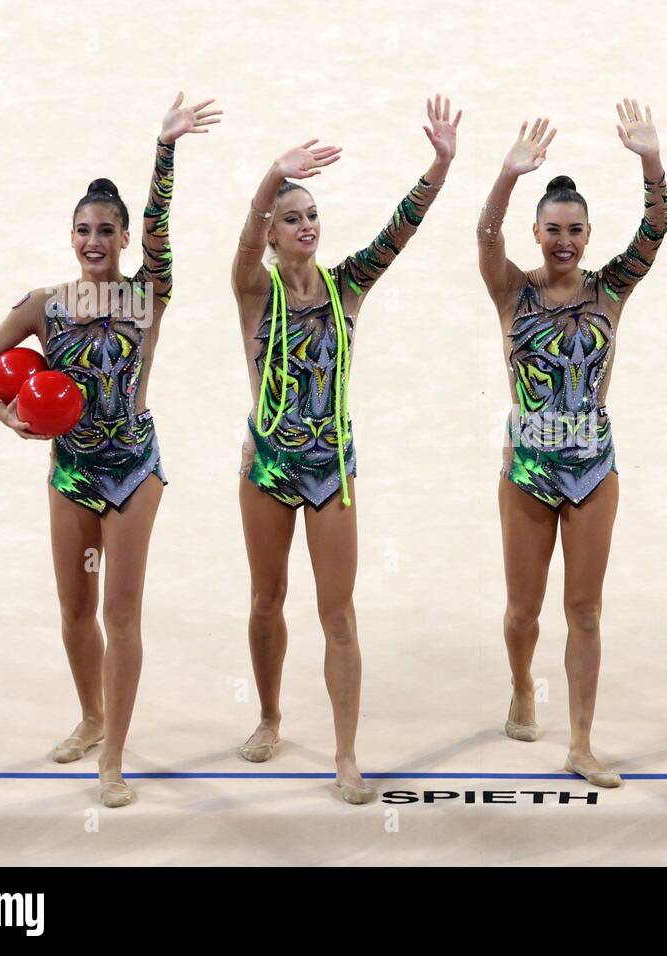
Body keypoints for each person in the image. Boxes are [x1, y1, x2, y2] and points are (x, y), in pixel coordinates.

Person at [0, 93, 220, 807]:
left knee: (120, 615)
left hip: (133, 470)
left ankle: (115, 761)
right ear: (71, 236)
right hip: (71, 471)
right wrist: (7, 418)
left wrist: (166, 150)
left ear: (126, 239)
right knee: (75, 610)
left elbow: (164, 227)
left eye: (108, 229)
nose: (94, 240)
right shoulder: (47, 304)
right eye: (84, 229)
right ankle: (93, 718)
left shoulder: (147, 295)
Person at [232, 95, 458, 804]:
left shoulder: (346, 286)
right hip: (267, 465)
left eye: (311, 216)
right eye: (291, 218)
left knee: (338, 612)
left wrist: (440, 165)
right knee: (268, 598)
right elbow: (240, 242)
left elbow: (401, 230)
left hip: (332, 468)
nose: (305, 226)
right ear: (272, 233)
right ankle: (269, 716)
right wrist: (273, 175)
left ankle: (346, 754)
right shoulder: (253, 289)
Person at [476, 99, 667, 788]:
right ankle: (524, 684)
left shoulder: (610, 289)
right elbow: (485, 233)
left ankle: (583, 742)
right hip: (526, 468)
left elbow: (657, 227)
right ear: (536, 230)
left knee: (584, 609)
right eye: (553, 229)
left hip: (593, 467)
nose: (564, 241)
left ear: (589, 235)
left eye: (575, 231)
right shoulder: (511, 292)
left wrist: (650, 159)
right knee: (523, 611)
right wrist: (506, 173)